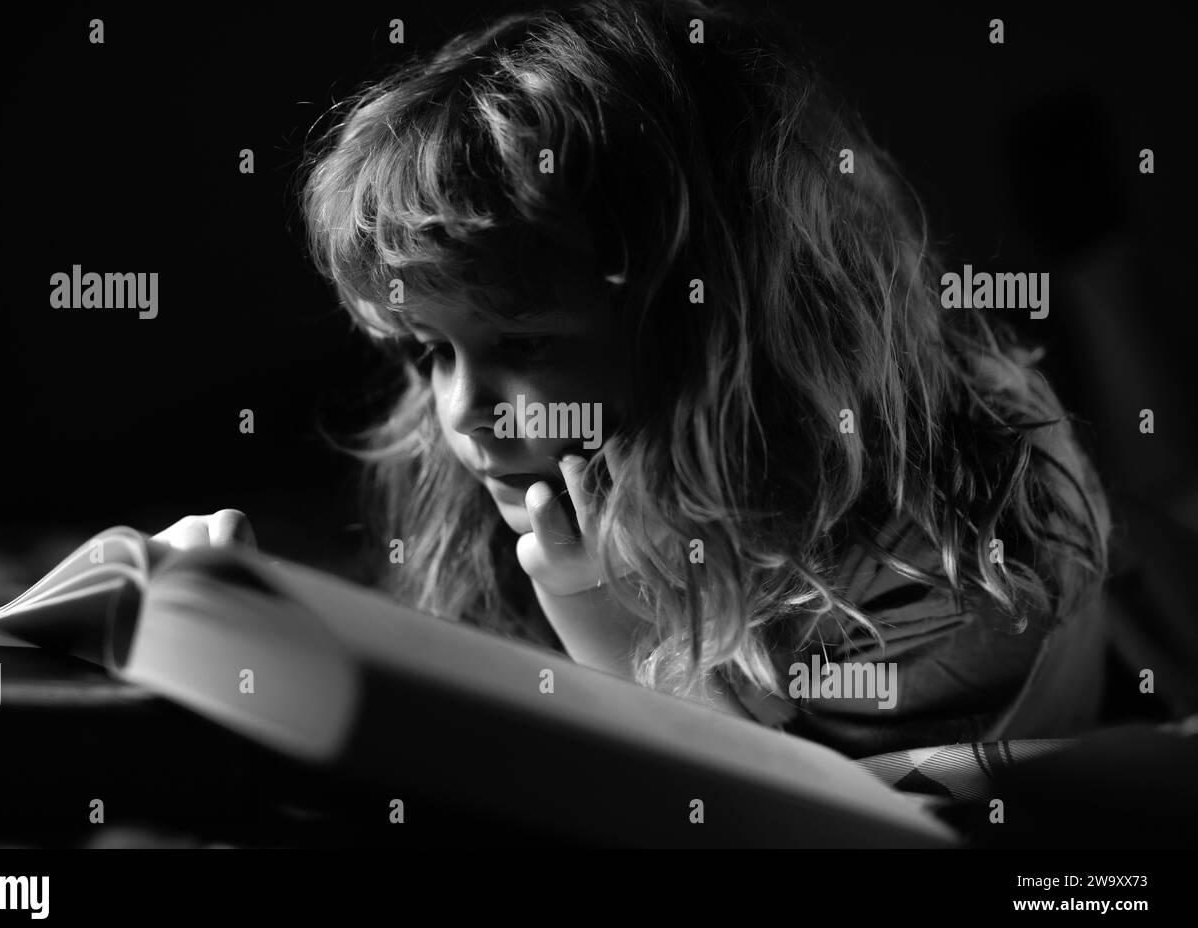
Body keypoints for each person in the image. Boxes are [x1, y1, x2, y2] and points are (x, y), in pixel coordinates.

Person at [164, 0, 1113, 756]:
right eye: (429, 350)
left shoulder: (957, 543)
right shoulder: (522, 485)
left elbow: (771, 815)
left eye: (526, 343)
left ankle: (1100, 267)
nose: (463, 414)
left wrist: (599, 615)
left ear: (723, 320)